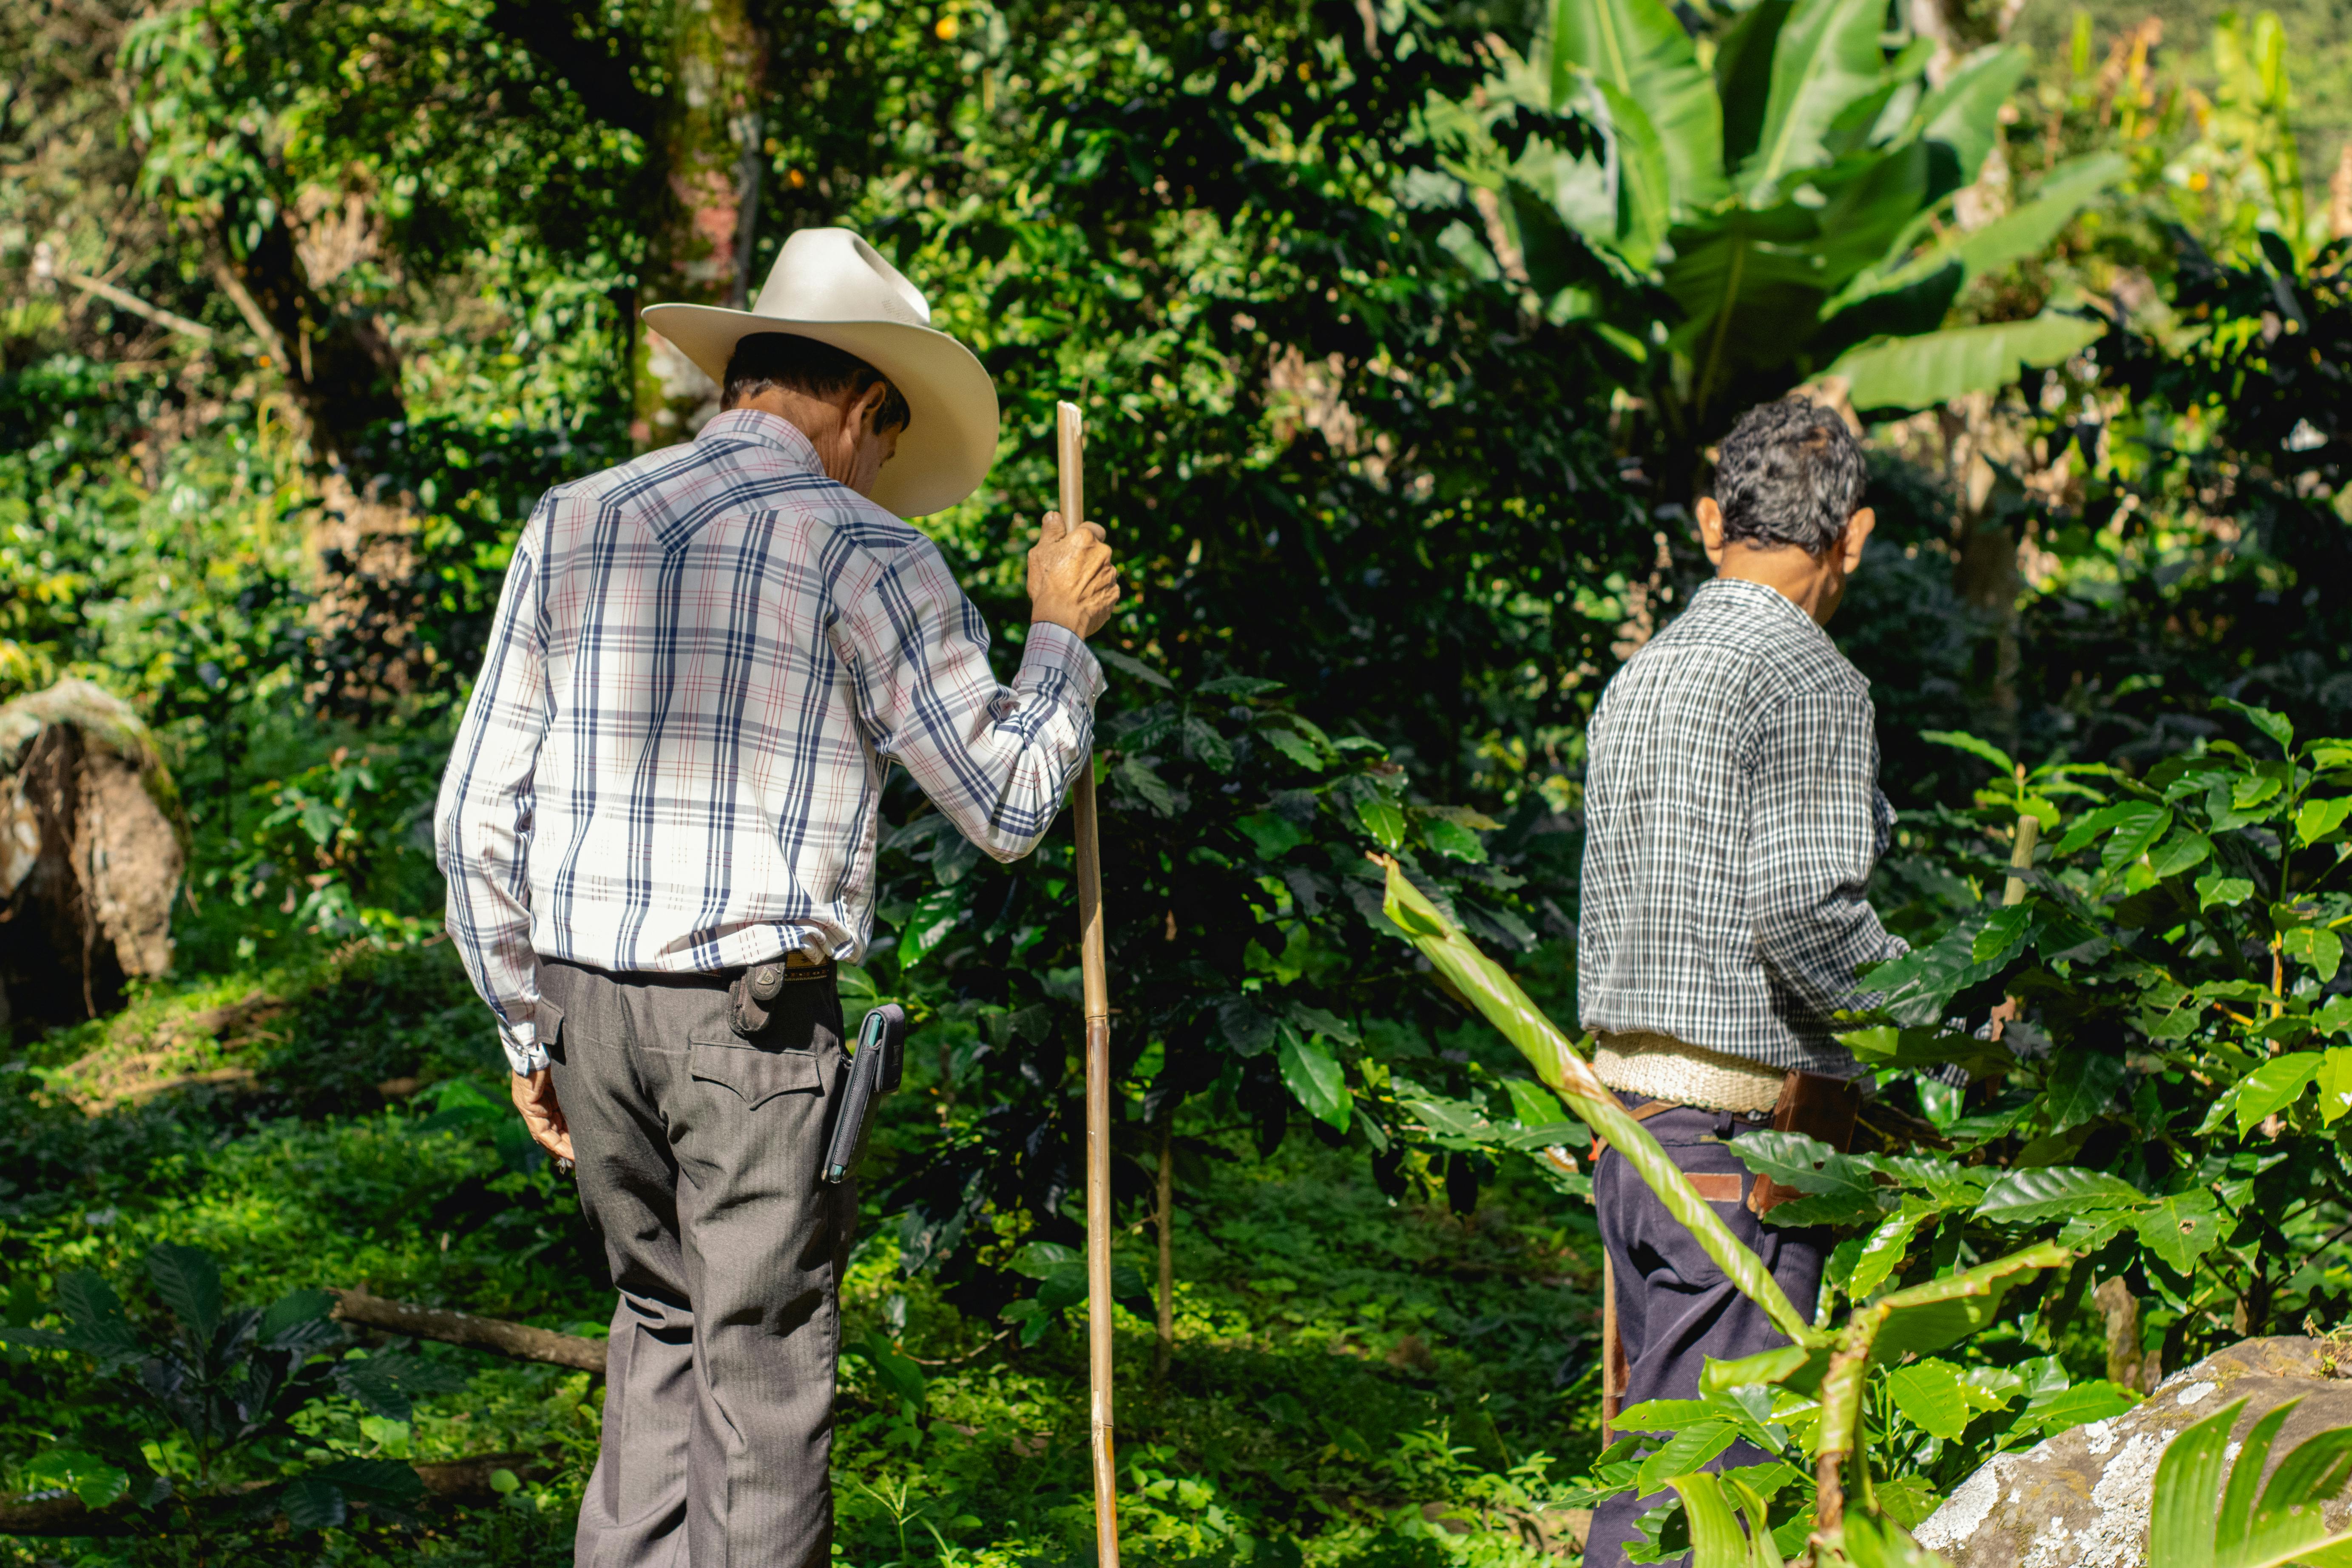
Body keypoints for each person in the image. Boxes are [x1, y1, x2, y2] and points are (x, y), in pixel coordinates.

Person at [433, 227, 1118, 1568]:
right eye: (883, 444)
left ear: (745, 378)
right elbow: (1004, 805)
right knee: (760, 1380)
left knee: (661, 1338)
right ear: (862, 409)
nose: (878, 473)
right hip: (749, 1035)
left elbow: (471, 820)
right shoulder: (860, 548)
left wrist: (528, 1031)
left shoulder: (576, 515)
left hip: (587, 1011)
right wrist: (1058, 637)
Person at [1575, 396, 1901, 1567]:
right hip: (1734, 1149)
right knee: (1690, 1513)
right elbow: (1806, 920)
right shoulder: (1807, 675)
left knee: (1658, 1470)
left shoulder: (1645, 674)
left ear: (1713, 520)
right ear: (1850, 537)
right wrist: (1954, 1022)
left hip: (1634, 1139)